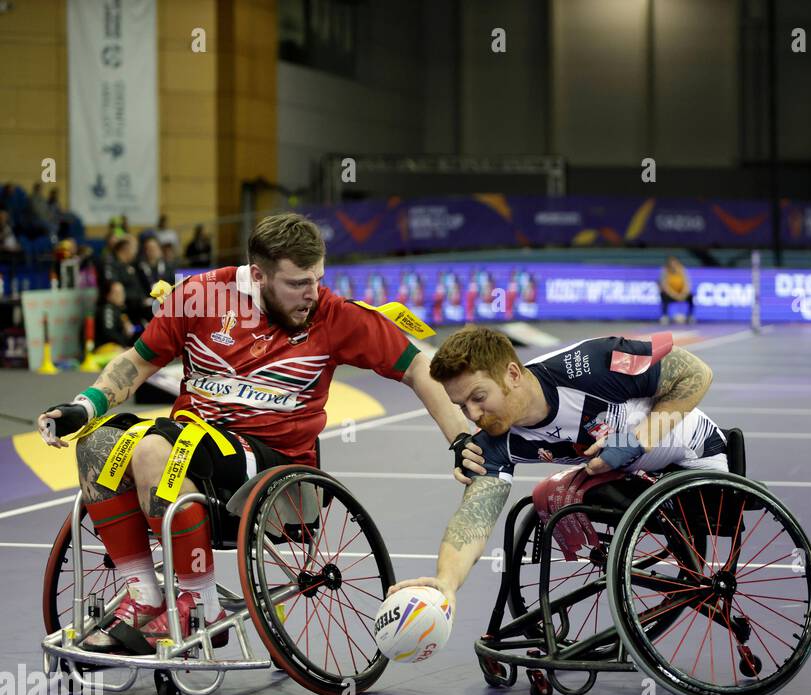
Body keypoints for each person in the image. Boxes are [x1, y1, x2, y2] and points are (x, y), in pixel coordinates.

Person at [37, 213, 484, 655]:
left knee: (155, 448)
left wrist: (461, 440)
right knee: (97, 445)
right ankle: (144, 596)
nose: (312, 294)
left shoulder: (334, 316)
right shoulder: (200, 297)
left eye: (317, 278)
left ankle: (203, 605)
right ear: (257, 275)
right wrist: (84, 406)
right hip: (194, 444)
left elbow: (421, 368)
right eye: (296, 284)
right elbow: (135, 364)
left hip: (273, 466)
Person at [388, 327, 725, 618]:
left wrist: (636, 441)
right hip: (627, 475)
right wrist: (446, 582)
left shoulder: (591, 364)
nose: (473, 415)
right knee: (548, 494)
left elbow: (697, 373)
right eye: (462, 406)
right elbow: (475, 516)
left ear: (513, 375)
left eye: (478, 397)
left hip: (694, 457)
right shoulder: (494, 441)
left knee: (562, 491)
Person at [659, 256, 695, 324]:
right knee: (663, 295)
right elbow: (665, 286)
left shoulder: (682, 270)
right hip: (671, 294)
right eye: (671, 263)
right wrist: (675, 295)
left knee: (691, 296)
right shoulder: (665, 271)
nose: (673, 265)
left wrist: (683, 293)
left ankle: (690, 316)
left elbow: (687, 284)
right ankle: (665, 316)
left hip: (681, 294)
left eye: (675, 263)